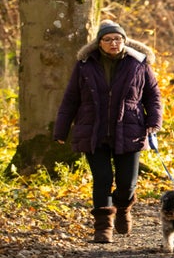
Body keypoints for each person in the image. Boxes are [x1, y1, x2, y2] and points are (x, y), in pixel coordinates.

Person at [54, 19, 162, 243]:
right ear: (99, 43)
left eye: (118, 39)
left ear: (124, 41)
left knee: (127, 183)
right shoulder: (85, 64)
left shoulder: (138, 64)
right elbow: (71, 99)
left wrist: (154, 121)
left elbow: (153, 96)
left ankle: (122, 208)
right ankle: (103, 227)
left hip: (130, 130)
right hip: (94, 131)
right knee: (102, 178)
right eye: (108, 39)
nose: (114, 43)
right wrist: (61, 131)